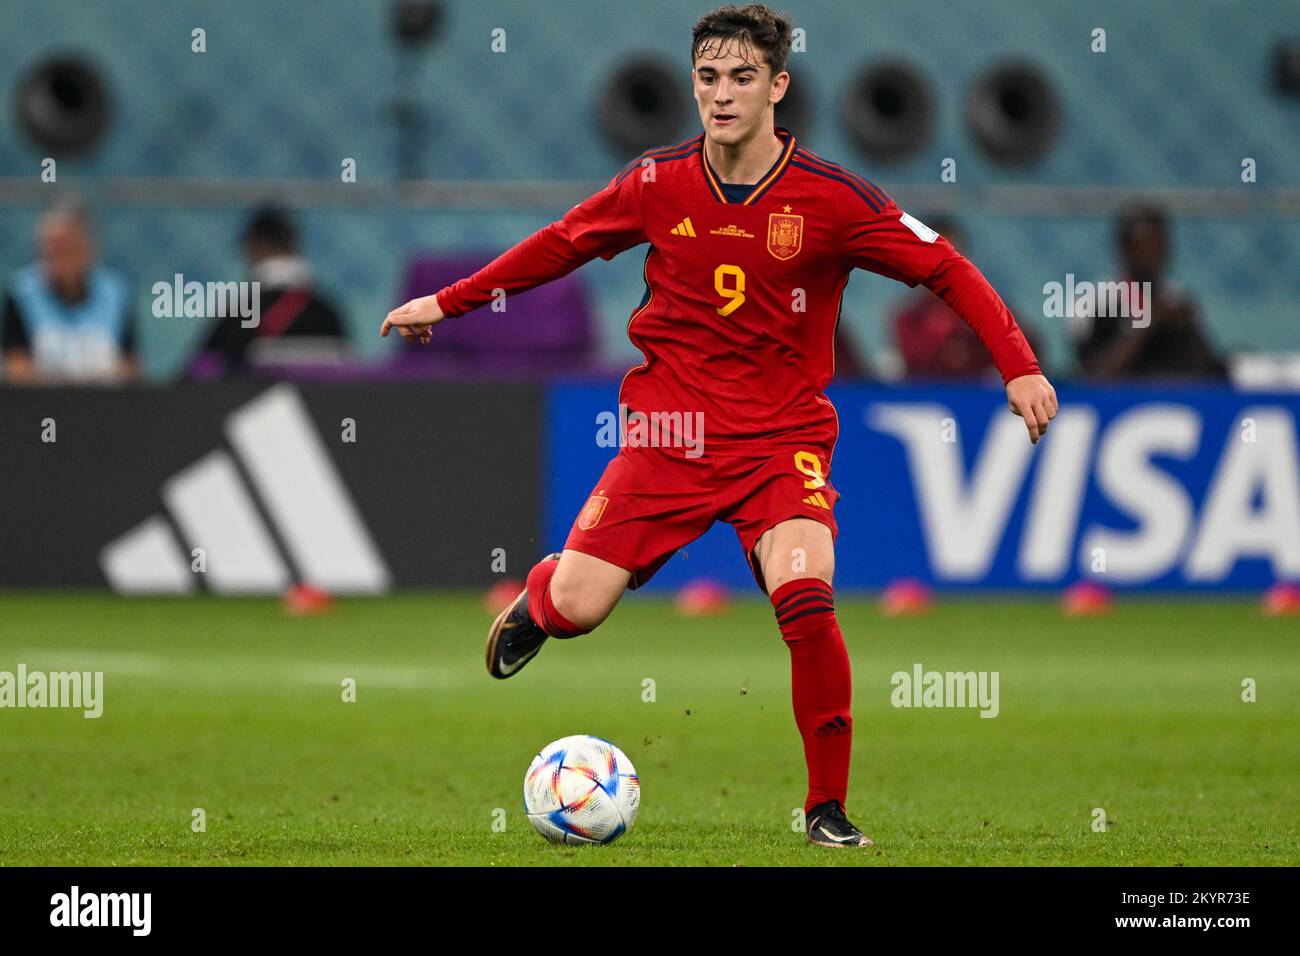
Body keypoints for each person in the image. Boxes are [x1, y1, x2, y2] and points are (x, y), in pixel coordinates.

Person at [381, 3, 1057, 848]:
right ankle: (543, 602)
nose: (722, 94)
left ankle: (826, 809)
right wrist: (449, 302)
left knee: (806, 596)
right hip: (669, 436)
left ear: (778, 86)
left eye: (742, 77)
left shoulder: (835, 198)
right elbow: (563, 243)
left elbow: (946, 267)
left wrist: (1019, 364)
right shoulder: (656, 183)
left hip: (782, 442)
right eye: (708, 78)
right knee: (582, 607)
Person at [1071, 204, 1226, 379]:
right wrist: (1147, 325)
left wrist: (1189, 330)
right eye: (1142, 247)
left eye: (1158, 246)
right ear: (1124, 249)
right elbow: (1090, 373)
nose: (1151, 255)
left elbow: (1209, 370)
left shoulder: (1176, 300)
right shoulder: (1094, 301)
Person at [193, 205, 347, 377]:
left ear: (255, 247)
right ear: (294, 247)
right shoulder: (329, 313)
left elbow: (199, 374)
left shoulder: (241, 311)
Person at [2, 202, 135, 384]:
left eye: (70, 249)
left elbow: (129, 370)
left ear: (90, 250)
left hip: (102, 399)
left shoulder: (116, 294)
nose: (61, 258)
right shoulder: (21, 294)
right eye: (52, 250)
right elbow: (17, 370)